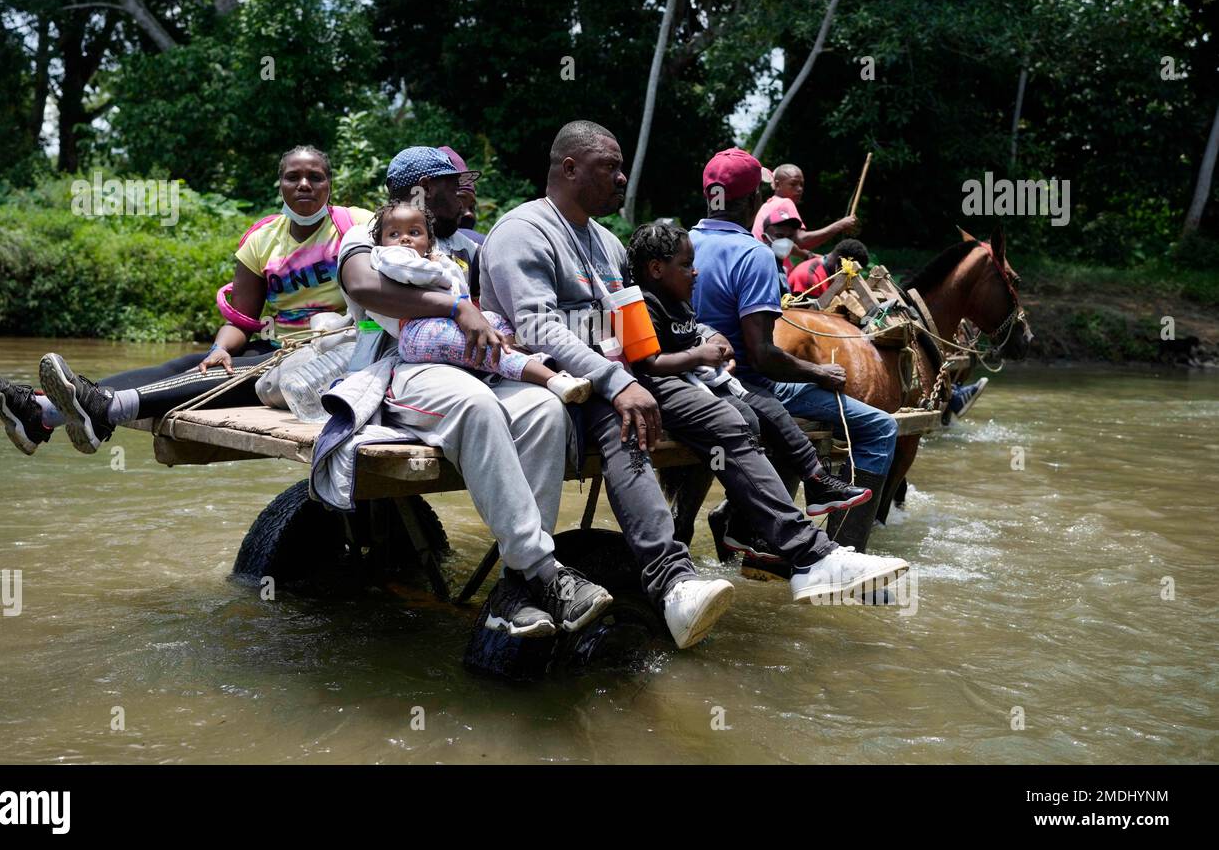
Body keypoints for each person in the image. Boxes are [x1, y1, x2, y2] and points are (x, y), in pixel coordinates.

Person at [481, 121, 909, 639]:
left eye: (621, 168)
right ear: (569, 168)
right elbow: (537, 328)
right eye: (609, 168)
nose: (621, 179)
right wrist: (617, 384)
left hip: (624, 374)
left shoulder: (607, 243)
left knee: (727, 416)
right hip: (557, 384)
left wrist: (698, 344)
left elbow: (644, 316)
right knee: (629, 425)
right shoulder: (522, 232)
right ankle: (672, 580)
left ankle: (809, 556)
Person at [338, 145, 613, 638]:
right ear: (420, 189)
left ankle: (515, 586)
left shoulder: (457, 245)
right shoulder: (369, 235)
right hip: (402, 363)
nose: (465, 190)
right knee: (477, 405)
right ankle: (545, 573)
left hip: (469, 361)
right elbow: (362, 287)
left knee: (543, 409)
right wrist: (453, 308)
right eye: (453, 182)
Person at [0, 145, 372, 456]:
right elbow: (242, 321)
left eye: (314, 177)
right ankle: (44, 412)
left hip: (329, 355)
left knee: (235, 374)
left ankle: (73, 412)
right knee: (190, 364)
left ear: (329, 186)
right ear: (280, 185)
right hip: (278, 347)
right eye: (293, 177)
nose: (304, 184)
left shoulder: (355, 224)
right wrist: (219, 348)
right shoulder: (262, 239)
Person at [691, 148, 899, 562]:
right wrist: (818, 372)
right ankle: (845, 550)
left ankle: (748, 522)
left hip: (693, 382)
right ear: (754, 202)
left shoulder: (682, 244)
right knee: (881, 429)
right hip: (747, 383)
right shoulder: (754, 255)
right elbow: (764, 355)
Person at [626, 221, 871, 518]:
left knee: (772, 408)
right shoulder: (646, 305)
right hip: (682, 385)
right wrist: (699, 355)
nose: (696, 272)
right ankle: (751, 511)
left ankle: (816, 479)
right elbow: (650, 362)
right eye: (687, 265)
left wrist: (713, 340)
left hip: (706, 379)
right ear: (656, 269)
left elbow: (694, 329)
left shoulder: (680, 300)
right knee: (747, 419)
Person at [367, 200, 591, 403]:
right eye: (394, 234)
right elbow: (410, 271)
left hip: (446, 322)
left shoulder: (431, 258)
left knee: (497, 321)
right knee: (483, 346)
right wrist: (441, 267)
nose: (404, 239)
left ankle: (520, 358)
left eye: (414, 232)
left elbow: (459, 289)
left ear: (428, 239)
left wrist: (441, 263)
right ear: (381, 241)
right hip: (418, 330)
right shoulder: (388, 256)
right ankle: (551, 379)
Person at [752, 164, 858, 279]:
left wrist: (808, 255)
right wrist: (841, 225)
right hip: (773, 272)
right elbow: (802, 241)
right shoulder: (786, 202)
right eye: (793, 184)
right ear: (777, 184)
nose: (799, 189)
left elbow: (784, 243)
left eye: (801, 184)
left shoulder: (768, 205)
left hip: (758, 267)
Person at [788, 238, 871, 298]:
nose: (850, 278)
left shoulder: (827, 272)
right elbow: (805, 316)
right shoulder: (810, 277)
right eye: (850, 273)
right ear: (840, 262)